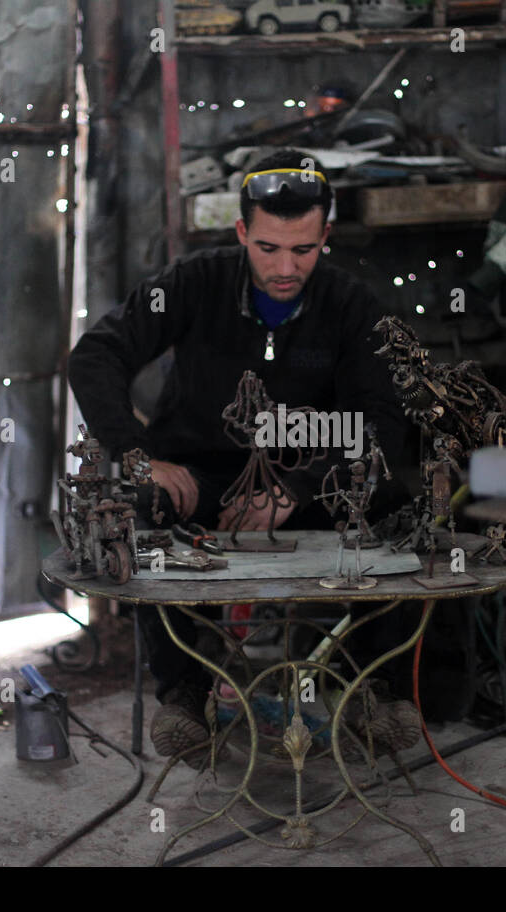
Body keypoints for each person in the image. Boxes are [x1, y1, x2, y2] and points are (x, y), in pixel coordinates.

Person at [68, 148, 420, 766]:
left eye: (303, 250)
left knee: (398, 502)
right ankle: (185, 696)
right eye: (267, 248)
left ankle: (374, 694)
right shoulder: (191, 283)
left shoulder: (353, 306)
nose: (286, 267)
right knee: (141, 509)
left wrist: (300, 488)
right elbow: (95, 354)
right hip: (198, 477)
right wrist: (138, 458)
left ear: (326, 237)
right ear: (240, 233)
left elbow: (384, 427)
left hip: (307, 486)